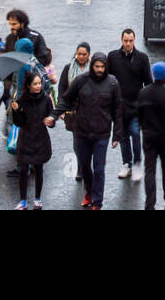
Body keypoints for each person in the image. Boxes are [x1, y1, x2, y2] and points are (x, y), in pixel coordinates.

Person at [48, 51, 123, 210]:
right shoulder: (80, 81)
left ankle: (97, 202)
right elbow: (66, 100)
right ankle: (89, 192)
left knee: (99, 168)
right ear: (92, 65)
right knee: (85, 166)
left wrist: (117, 134)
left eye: (103, 67)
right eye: (97, 66)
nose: (100, 70)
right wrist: (54, 115)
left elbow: (117, 110)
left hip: (102, 133)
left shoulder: (112, 83)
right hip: (81, 131)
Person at [106, 29, 152, 182]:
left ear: (134, 40)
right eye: (125, 41)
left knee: (135, 134)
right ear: (121, 40)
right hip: (118, 106)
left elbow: (148, 82)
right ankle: (127, 164)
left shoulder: (142, 58)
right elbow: (108, 79)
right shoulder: (112, 57)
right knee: (123, 136)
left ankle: (138, 164)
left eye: (130, 41)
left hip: (135, 105)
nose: (128, 44)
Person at [9, 71, 54, 208]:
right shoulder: (22, 100)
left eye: (39, 83)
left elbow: (51, 115)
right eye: (35, 84)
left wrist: (51, 120)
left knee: (39, 169)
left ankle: (38, 199)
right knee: (23, 171)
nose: (38, 86)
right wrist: (16, 111)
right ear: (28, 85)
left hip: (40, 139)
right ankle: (22, 200)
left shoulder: (46, 99)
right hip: (25, 139)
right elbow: (19, 123)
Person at [138, 61, 165, 209]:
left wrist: (144, 128)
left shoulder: (143, 93)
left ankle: (149, 204)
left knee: (149, 170)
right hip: (163, 138)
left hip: (148, 136)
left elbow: (139, 114)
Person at [57, 42, 91, 178]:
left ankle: (86, 165)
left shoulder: (94, 68)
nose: (81, 57)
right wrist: (61, 108)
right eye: (79, 54)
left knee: (88, 140)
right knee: (77, 141)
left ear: (89, 55)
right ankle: (81, 167)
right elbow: (62, 88)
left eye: (84, 54)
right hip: (74, 110)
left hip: (90, 110)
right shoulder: (68, 68)